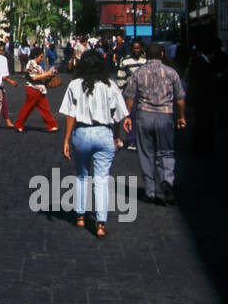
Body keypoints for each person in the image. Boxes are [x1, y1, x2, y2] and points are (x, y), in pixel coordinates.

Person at [59, 49, 129, 237]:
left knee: (82, 175)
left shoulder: (74, 85)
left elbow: (70, 115)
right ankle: (100, 223)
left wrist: (66, 140)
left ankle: (80, 215)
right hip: (104, 132)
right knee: (101, 179)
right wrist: (116, 136)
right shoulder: (110, 86)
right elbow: (118, 116)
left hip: (81, 132)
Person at [123, 42, 186, 205]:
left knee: (146, 153)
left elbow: (129, 96)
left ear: (145, 54)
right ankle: (167, 182)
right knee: (166, 152)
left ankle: (150, 191)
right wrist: (181, 116)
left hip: (144, 115)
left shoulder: (138, 73)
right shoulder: (171, 73)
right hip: (165, 116)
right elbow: (180, 98)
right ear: (162, 54)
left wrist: (127, 116)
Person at [14, 45, 60, 133]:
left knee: (44, 108)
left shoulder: (38, 65)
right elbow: (33, 77)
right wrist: (47, 74)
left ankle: (52, 125)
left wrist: (51, 73)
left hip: (40, 89)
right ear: (36, 56)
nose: (41, 58)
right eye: (41, 56)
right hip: (33, 88)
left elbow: (42, 76)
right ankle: (19, 124)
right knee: (28, 108)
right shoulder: (31, 63)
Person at [116, 37, 146, 150]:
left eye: (138, 48)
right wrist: (119, 93)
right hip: (130, 93)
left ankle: (141, 140)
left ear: (142, 48)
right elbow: (121, 78)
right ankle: (132, 140)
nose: (136, 50)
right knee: (130, 115)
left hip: (143, 92)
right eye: (134, 48)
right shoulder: (125, 61)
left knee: (142, 116)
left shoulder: (146, 60)